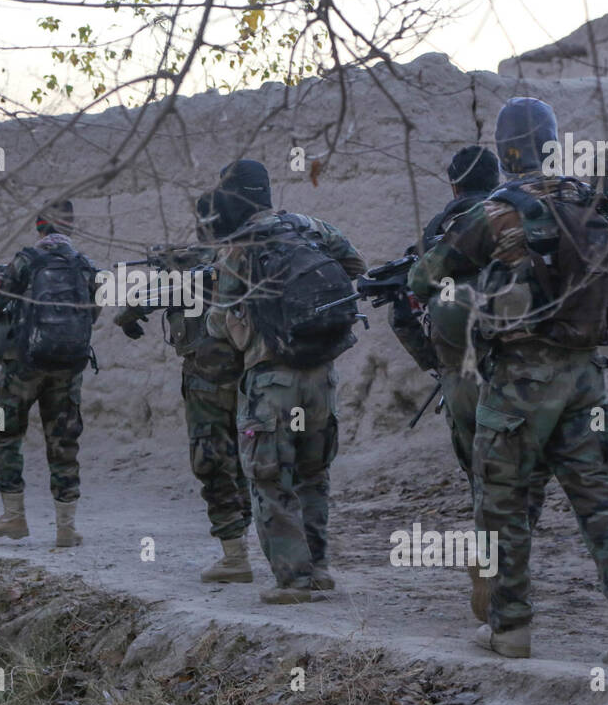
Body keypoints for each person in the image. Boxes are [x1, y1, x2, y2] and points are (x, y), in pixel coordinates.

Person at [408, 96, 608, 666]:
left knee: (501, 502)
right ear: (554, 143)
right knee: (597, 497)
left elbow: (427, 274)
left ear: (504, 154)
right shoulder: (590, 204)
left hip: (519, 382)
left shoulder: (497, 211)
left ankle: (511, 629)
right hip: (585, 378)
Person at [387, 146, 550, 621]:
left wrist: (435, 363)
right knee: (524, 472)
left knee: (482, 474)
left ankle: (492, 564)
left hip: (461, 370)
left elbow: (411, 304)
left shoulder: (445, 229)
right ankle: (504, 567)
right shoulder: (514, 216)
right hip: (522, 367)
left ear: (454, 186)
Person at [205, 159, 366, 604]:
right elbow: (355, 265)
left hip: (271, 380)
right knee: (314, 474)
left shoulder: (236, 248)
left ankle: (292, 580)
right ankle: (319, 569)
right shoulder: (310, 228)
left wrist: (253, 318)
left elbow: (220, 324)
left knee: (272, 476)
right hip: (322, 376)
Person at [114, 191, 252, 582]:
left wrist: (129, 315)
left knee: (212, 459)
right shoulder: (250, 255)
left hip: (206, 379)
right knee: (251, 457)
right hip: (254, 374)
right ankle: (266, 548)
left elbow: (149, 297)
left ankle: (235, 553)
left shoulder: (194, 264)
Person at [0, 200, 100, 547]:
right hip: (67, 368)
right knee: (63, 441)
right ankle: (66, 527)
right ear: (71, 227)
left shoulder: (26, 260)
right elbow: (93, 315)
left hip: (23, 366)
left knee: (3, 429)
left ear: (39, 226)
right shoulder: (84, 265)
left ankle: (14, 516)